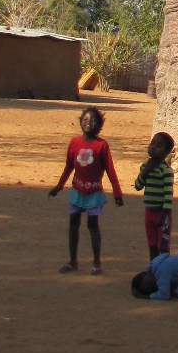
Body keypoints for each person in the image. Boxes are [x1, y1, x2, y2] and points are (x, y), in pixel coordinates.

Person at [49, 106, 123, 274]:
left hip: (94, 193)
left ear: (100, 126)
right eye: (86, 120)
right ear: (80, 122)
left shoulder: (102, 146)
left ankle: (97, 264)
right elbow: (69, 167)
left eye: (94, 121)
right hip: (77, 191)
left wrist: (117, 193)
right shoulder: (74, 143)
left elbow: (110, 170)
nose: (89, 123)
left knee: (92, 225)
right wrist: (59, 186)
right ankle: (72, 261)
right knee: (73, 225)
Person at [134, 131, 174, 259]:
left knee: (163, 246)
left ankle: (164, 271)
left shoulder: (165, 170)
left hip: (161, 213)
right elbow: (138, 186)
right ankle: (153, 271)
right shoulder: (145, 166)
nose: (153, 147)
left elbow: (168, 194)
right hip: (149, 212)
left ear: (166, 152)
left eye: (159, 146)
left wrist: (164, 214)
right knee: (152, 245)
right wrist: (144, 173)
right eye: (152, 143)